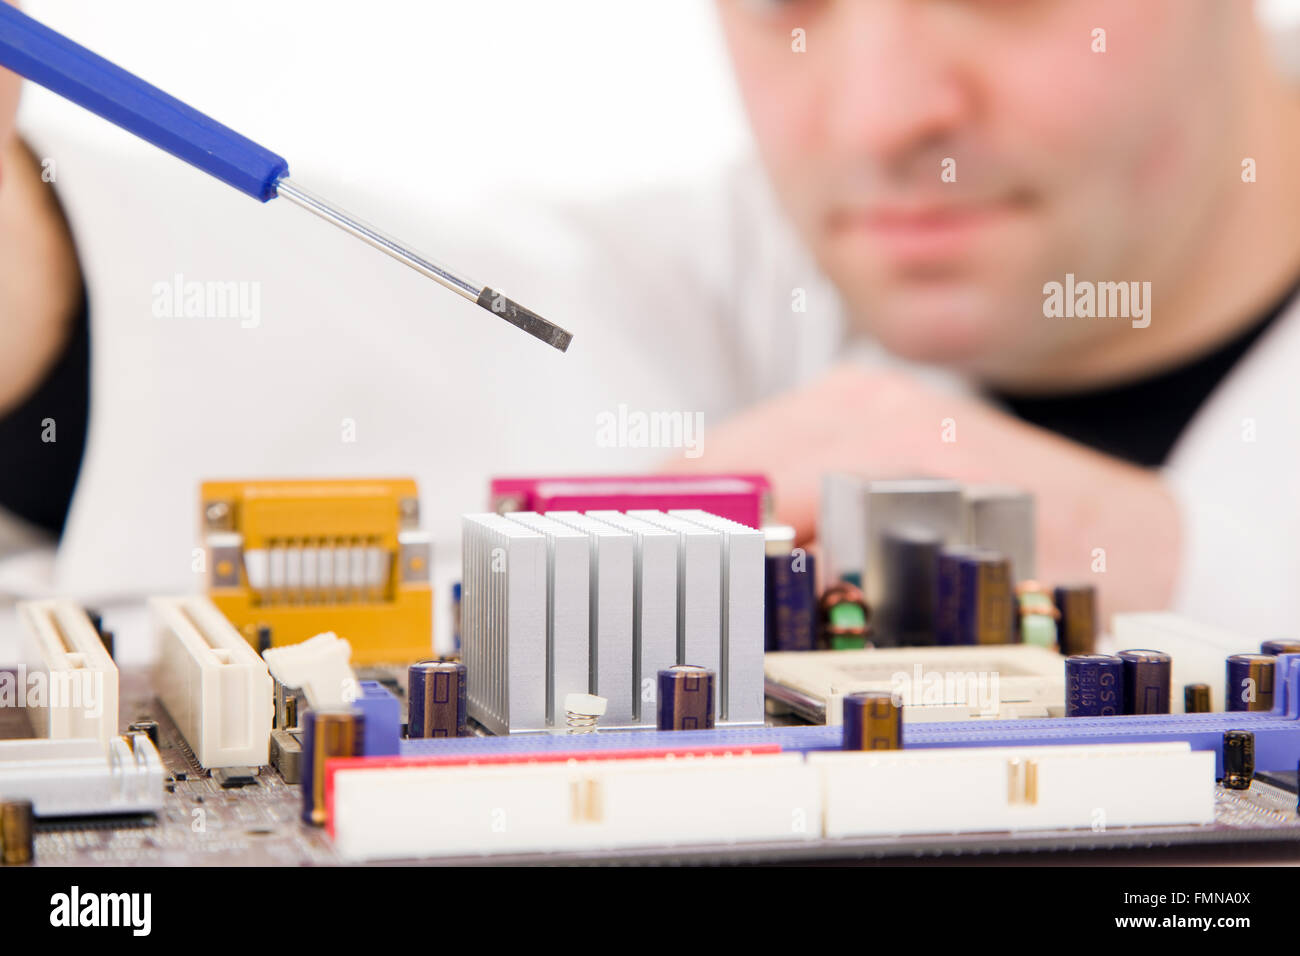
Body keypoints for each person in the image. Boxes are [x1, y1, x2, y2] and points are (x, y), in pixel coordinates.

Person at [0, 0, 1297, 650]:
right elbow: (357, 342)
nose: (877, 116)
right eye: (791, 0)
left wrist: (1186, 577)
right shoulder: (706, 288)